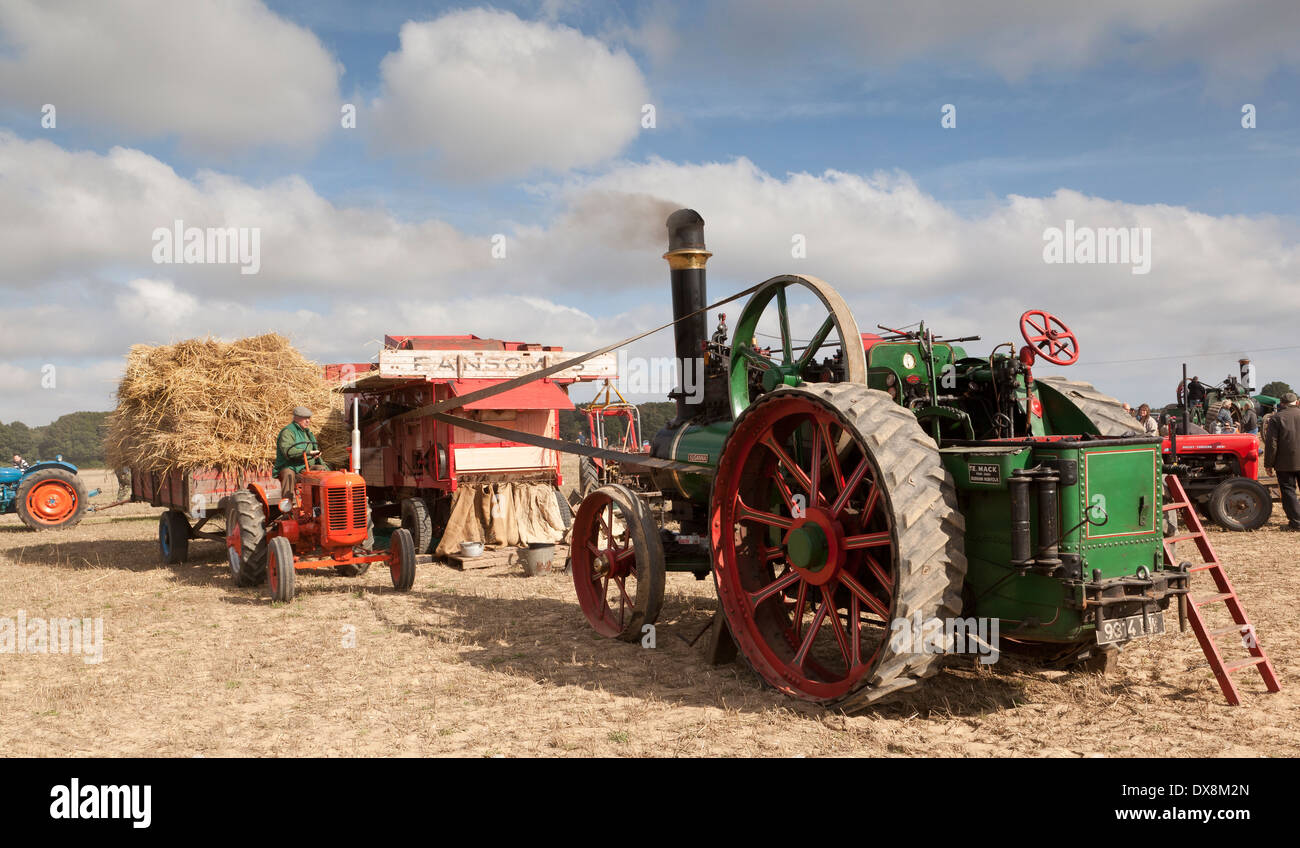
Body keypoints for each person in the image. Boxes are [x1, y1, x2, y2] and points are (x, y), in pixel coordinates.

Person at [274, 406, 324, 503]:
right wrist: (307, 453)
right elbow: (287, 450)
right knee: (288, 474)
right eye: (305, 418)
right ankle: (287, 506)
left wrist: (316, 453)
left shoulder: (307, 432)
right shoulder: (288, 432)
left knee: (321, 471)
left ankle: (318, 504)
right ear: (296, 418)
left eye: (309, 418)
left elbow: (313, 447)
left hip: (305, 467)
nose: (308, 421)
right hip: (290, 466)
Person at [1265, 392, 1300, 531]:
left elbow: (1271, 444)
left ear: (1282, 403)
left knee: (1288, 491)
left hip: (1285, 462)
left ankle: (1297, 522)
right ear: (1296, 402)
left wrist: (1268, 464)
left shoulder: (1276, 418)